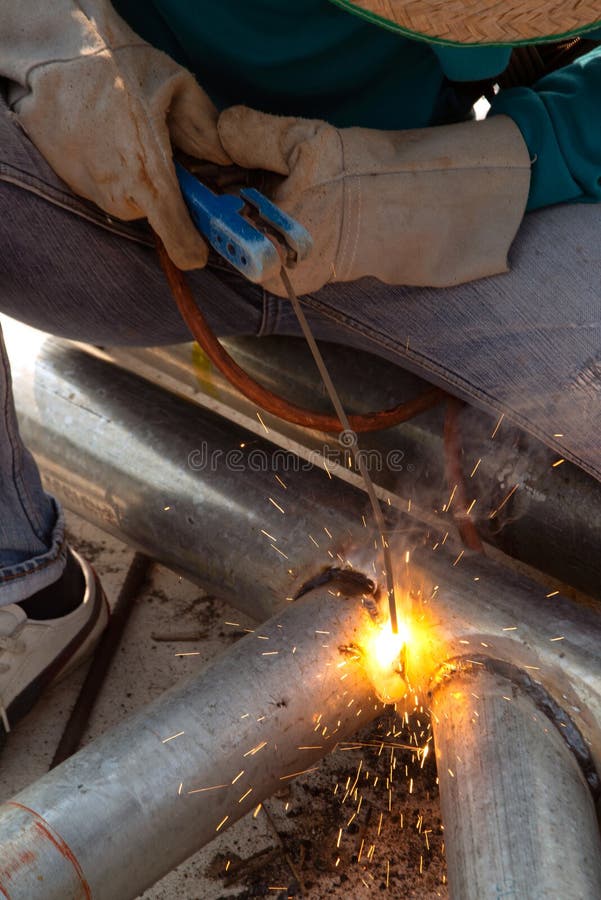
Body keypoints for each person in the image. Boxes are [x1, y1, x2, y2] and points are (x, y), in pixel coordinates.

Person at [0, 0, 599, 738]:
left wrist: (451, 179)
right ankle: (23, 586)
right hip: (113, 179)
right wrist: (53, 40)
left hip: (432, 205)